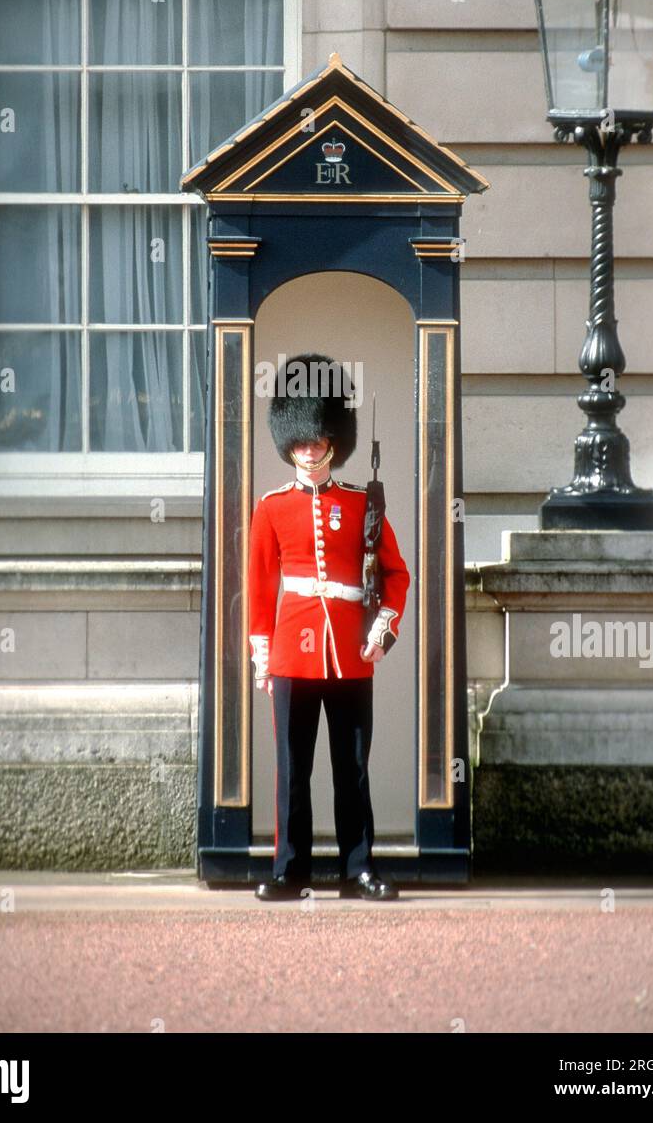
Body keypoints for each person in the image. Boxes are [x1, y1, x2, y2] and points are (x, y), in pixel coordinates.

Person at [248, 352, 410, 901]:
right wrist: (262, 654)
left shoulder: (362, 504)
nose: (309, 449)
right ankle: (289, 870)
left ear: (333, 440)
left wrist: (381, 630)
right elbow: (261, 586)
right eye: (300, 440)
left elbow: (395, 574)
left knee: (352, 768)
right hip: (293, 653)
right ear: (288, 442)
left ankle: (357, 867)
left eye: (317, 439)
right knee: (292, 770)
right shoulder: (269, 509)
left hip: (349, 651)